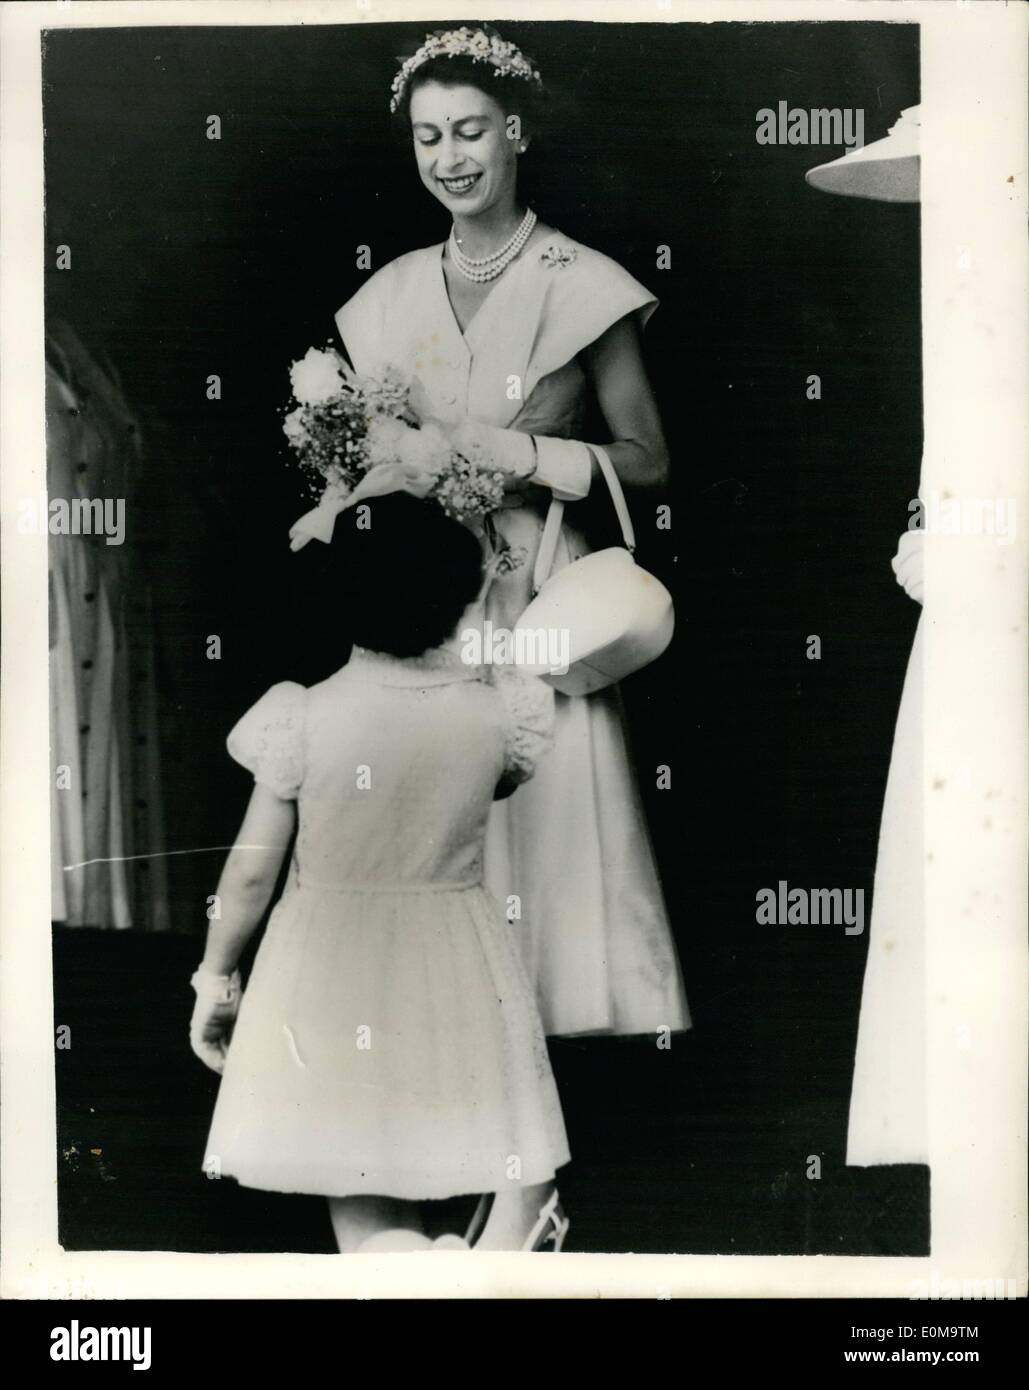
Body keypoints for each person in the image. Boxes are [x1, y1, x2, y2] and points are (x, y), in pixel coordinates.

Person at [334, 25, 690, 1039]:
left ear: (515, 132)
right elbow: (365, 458)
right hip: (422, 599)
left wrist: (522, 456)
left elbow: (649, 458)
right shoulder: (390, 291)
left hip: (540, 593)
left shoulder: (583, 280)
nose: (450, 157)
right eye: (428, 136)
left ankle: (540, 1140)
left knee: (539, 834)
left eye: (472, 131)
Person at [189, 495, 571, 1252]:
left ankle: (399, 1265)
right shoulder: (499, 715)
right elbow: (493, 779)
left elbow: (249, 877)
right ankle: (486, 1256)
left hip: (328, 972)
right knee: (465, 1143)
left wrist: (215, 977)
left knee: (353, 1164)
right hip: (456, 962)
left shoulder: (302, 715)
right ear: (463, 598)